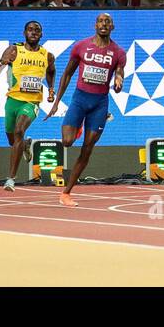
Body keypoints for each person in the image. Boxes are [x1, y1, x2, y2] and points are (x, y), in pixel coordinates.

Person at [44, 13, 127, 207]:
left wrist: (118, 81)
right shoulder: (81, 46)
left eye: (107, 22)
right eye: (100, 21)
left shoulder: (118, 52)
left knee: (87, 147)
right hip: (80, 99)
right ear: (95, 25)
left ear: (112, 27)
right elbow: (67, 74)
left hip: (99, 103)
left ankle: (66, 193)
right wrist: (57, 103)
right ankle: (78, 127)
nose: (103, 24)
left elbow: (120, 72)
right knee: (67, 141)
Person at [0, 21, 55, 192]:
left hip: (31, 102)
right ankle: (25, 144)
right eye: (30, 30)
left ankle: (10, 179)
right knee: (13, 141)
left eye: (37, 30)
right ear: (24, 32)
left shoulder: (47, 55)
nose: (34, 33)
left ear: (41, 35)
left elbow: (51, 71)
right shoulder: (14, 50)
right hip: (12, 101)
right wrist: (1, 62)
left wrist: (51, 89)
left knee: (19, 131)